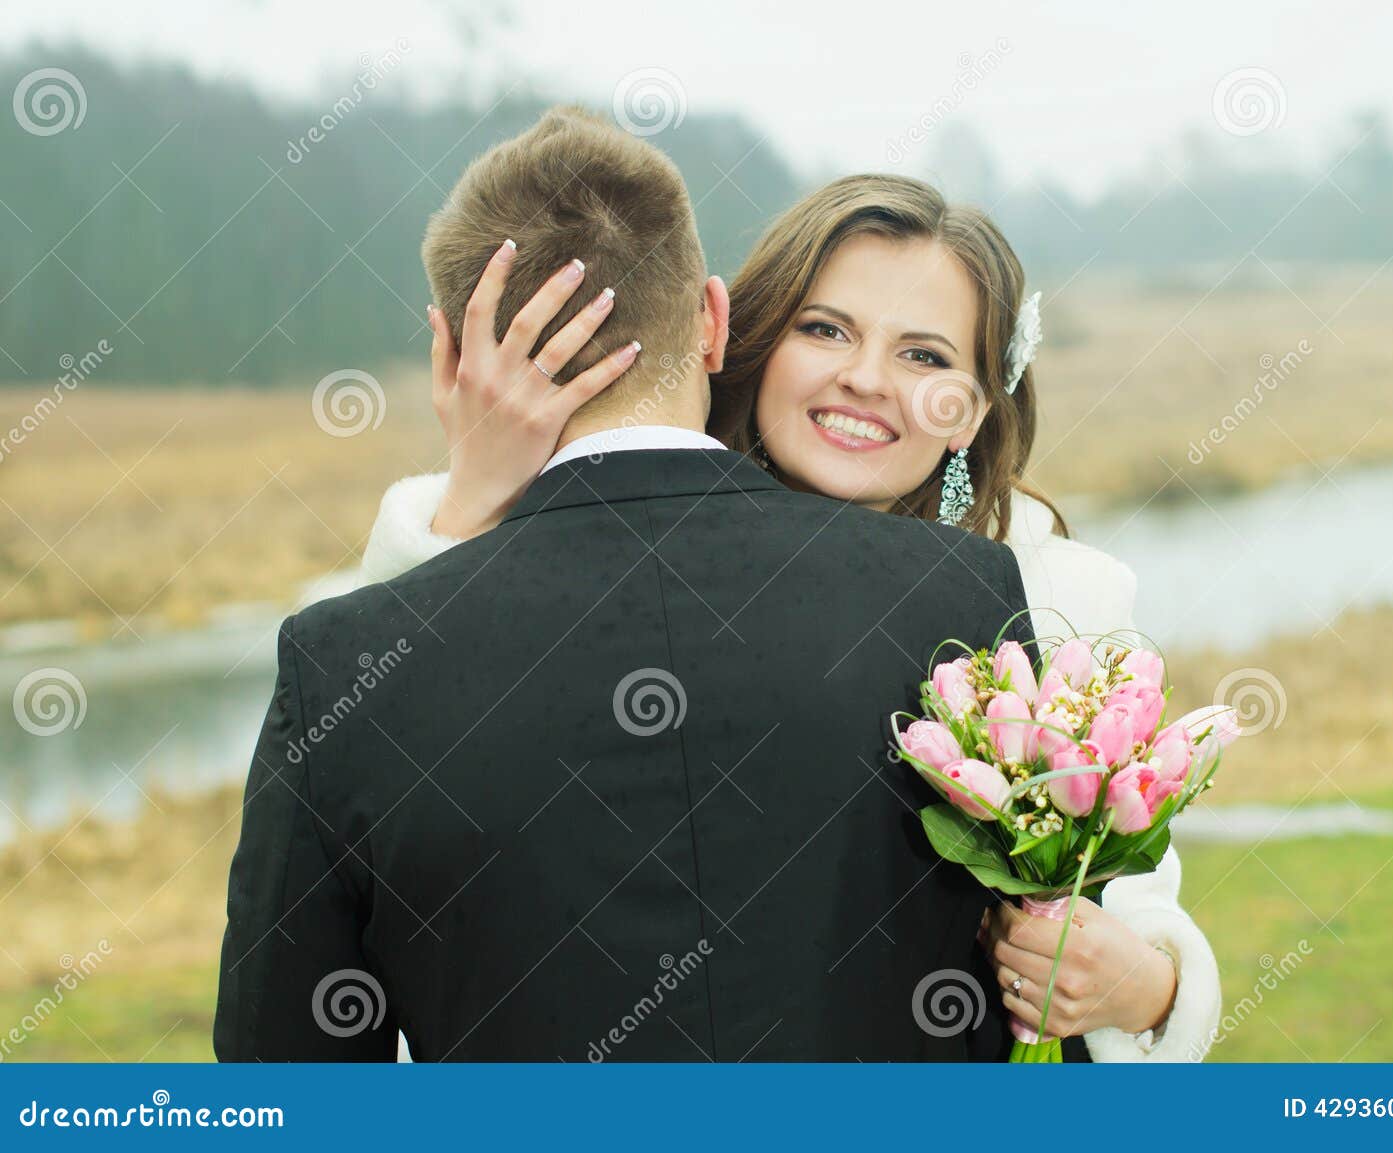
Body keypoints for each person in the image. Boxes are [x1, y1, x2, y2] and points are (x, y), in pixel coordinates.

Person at [216, 105, 1147, 1061]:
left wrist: (1150, 986)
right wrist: (467, 503)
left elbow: (283, 1068)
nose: (867, 381)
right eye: (827, 329)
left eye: (924, 354)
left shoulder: (344, 663)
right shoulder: (967, 601)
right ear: (720, 323)